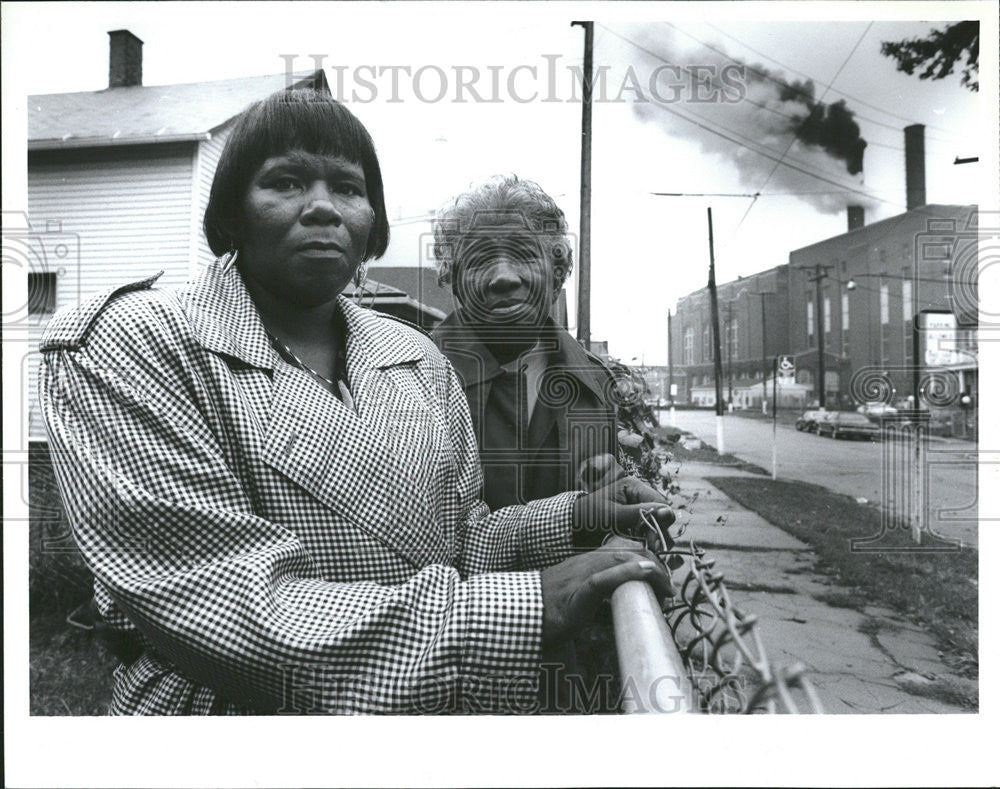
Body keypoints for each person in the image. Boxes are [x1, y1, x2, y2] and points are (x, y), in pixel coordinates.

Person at [38, 89, 673, 715]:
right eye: (285, 182)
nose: (322, 208)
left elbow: (460, 540)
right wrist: (536, 601)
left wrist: (573, 517)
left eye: (347, 187)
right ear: (230, 213)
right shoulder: (135, 343)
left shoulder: (414, 359)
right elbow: (232, 608)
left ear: (374, 224)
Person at [431, 176, 633, 510]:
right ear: (454, 281)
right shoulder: (412, 379)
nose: (504, 277)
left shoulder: (594, 382)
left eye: (524, 254)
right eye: (480, 261)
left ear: (556, 275)